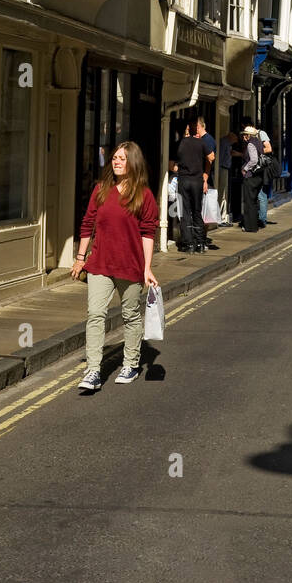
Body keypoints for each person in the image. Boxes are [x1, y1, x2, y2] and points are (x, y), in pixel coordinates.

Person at [73, 141, 158, 392]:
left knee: (131, 315)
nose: (117, 162)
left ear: (133, 162)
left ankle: (130, 364)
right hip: (100, 264)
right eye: (114, 158)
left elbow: (148, 232)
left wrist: (148, 268)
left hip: (130, 265)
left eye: (122, 158)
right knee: (95, 315)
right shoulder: (101, 189)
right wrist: (80, 258)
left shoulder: (144, 195)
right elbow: (88, 224)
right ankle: (93, 371)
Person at [169, 121, 210, 254]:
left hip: (184, 180)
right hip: (197, 181)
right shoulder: (201, 143)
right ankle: (200, 243)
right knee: (197, 211)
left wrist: (181, 167)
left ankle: (189, 244)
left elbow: (171, 166)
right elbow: (211, 157)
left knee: (185, 212)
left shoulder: (179, 144)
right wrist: (204, 172)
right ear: (196, 130)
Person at [195, 117, 218, 248]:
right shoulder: (204, 139)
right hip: (204, 178)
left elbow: (209, 161)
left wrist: (205, 179)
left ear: (198, 126)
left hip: (205, 179)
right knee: (203, 210)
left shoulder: (207, 140)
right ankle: (201, 238)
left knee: (204, 211)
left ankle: (201, 238)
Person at [239, 125, 265, 233]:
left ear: (249, 135)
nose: (243, 136)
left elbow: (254, 160)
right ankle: (254, 225)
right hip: (259, 176)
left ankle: (250, 226)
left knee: (249, 201)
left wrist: (245, 169)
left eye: (245, 134)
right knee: (254, 201)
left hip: (251, 177)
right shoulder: (258, 142)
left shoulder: (250, 144)